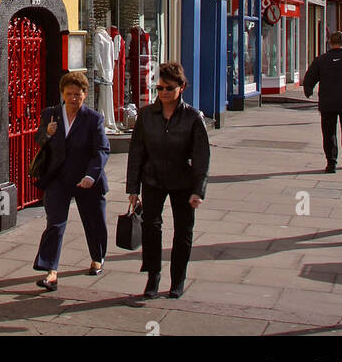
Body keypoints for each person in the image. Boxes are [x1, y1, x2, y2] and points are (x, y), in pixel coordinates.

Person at [125, 61, 210, 300]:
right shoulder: (146, 116)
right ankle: (153, 276)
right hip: (152, 179)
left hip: (183, 181)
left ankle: (178, 279)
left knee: (183, 231)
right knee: (151, 228)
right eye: (159, 88)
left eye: (168, 88)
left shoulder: (192, 117)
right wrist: (133, 188)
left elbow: (202, 157)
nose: (163, 93)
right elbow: (137, 152)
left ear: (181, 88)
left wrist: (198, 190)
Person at [33, 71, 110, 290]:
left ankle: (97, 257)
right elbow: (39, 139)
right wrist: (46, 133)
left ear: (85, 95)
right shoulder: (51, 114)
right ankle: (51, 271)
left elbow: (102, 149)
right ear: (62, 94)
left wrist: (90, 175)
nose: (73, 98)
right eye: (69, 94)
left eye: (78, 94)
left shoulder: (93, 119)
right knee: (55, 223)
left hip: (86, 178)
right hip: (58, 178)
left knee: (94, 221)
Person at [302, 31, 342, 173]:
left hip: (327, 102)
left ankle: (331, 162)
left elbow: (309, 78)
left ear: (330, 43)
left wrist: (308, 90)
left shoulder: (321, 60)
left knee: (329, 132)